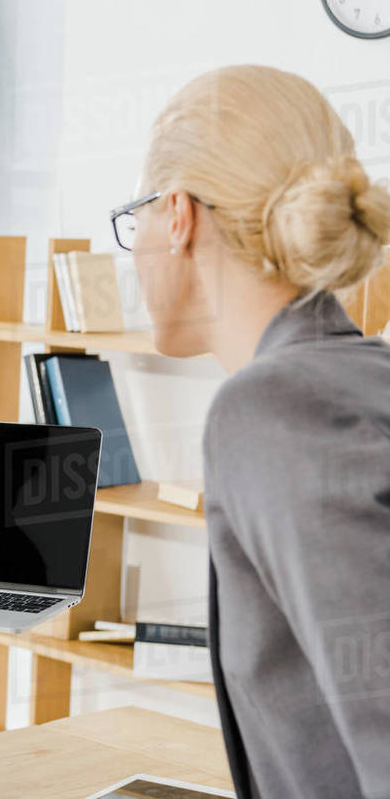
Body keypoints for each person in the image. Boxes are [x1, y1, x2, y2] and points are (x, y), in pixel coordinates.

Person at [114, 64, 390, 799]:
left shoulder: (272, 408)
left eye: (134, 214)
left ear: (178, 214)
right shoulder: (360, 373)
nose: (134, 246)